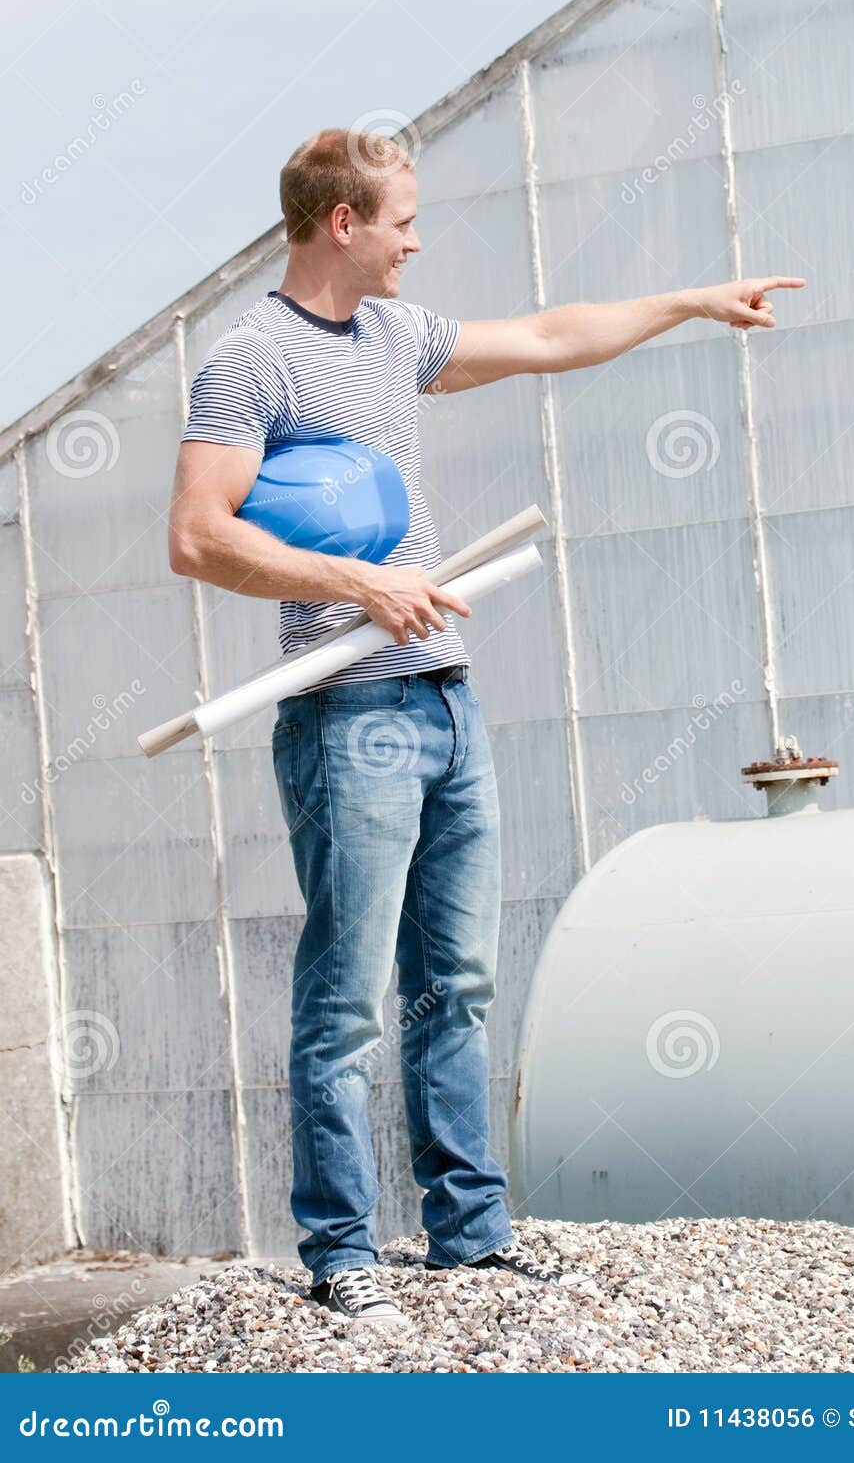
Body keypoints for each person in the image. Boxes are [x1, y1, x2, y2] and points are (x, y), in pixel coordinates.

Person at [168, 125, 804, 1328]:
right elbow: (198, 534)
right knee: (346, 998)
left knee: (453, 983)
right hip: (347, 711)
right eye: (402, 219)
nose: (417, 240)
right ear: (343, 222)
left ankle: (466, 1235)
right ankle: (340, 1247)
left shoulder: (396, 337)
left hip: (446, 698)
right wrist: (357, 584)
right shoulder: (250, 360)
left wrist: (688, 300)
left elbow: (551, 336)